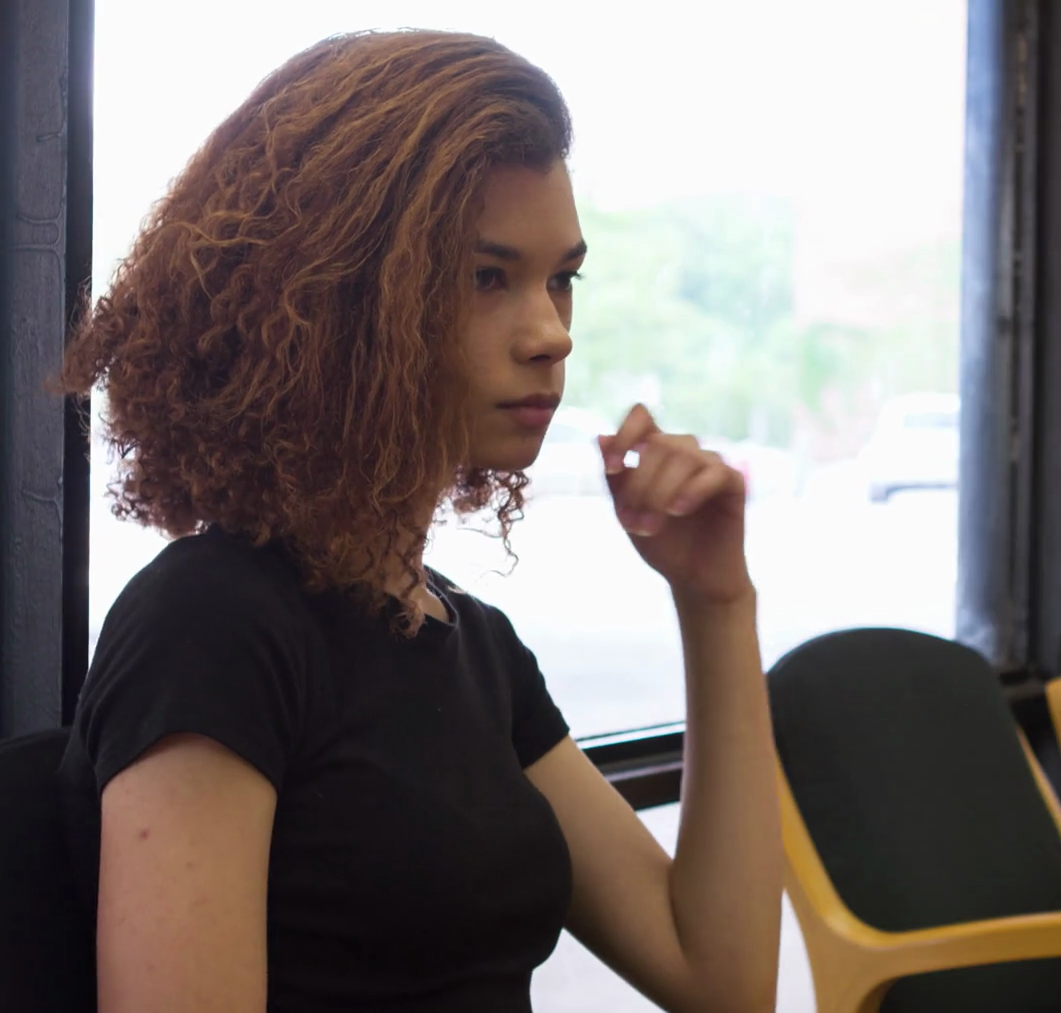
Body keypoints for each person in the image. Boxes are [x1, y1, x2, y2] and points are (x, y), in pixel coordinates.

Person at [55, 30, 780, 1013]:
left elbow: (721, 976)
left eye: (562, 276)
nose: (552, 332)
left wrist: (717, 602)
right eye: (490, 277)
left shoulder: (468, 643)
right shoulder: (211, 626)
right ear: (349, 300)